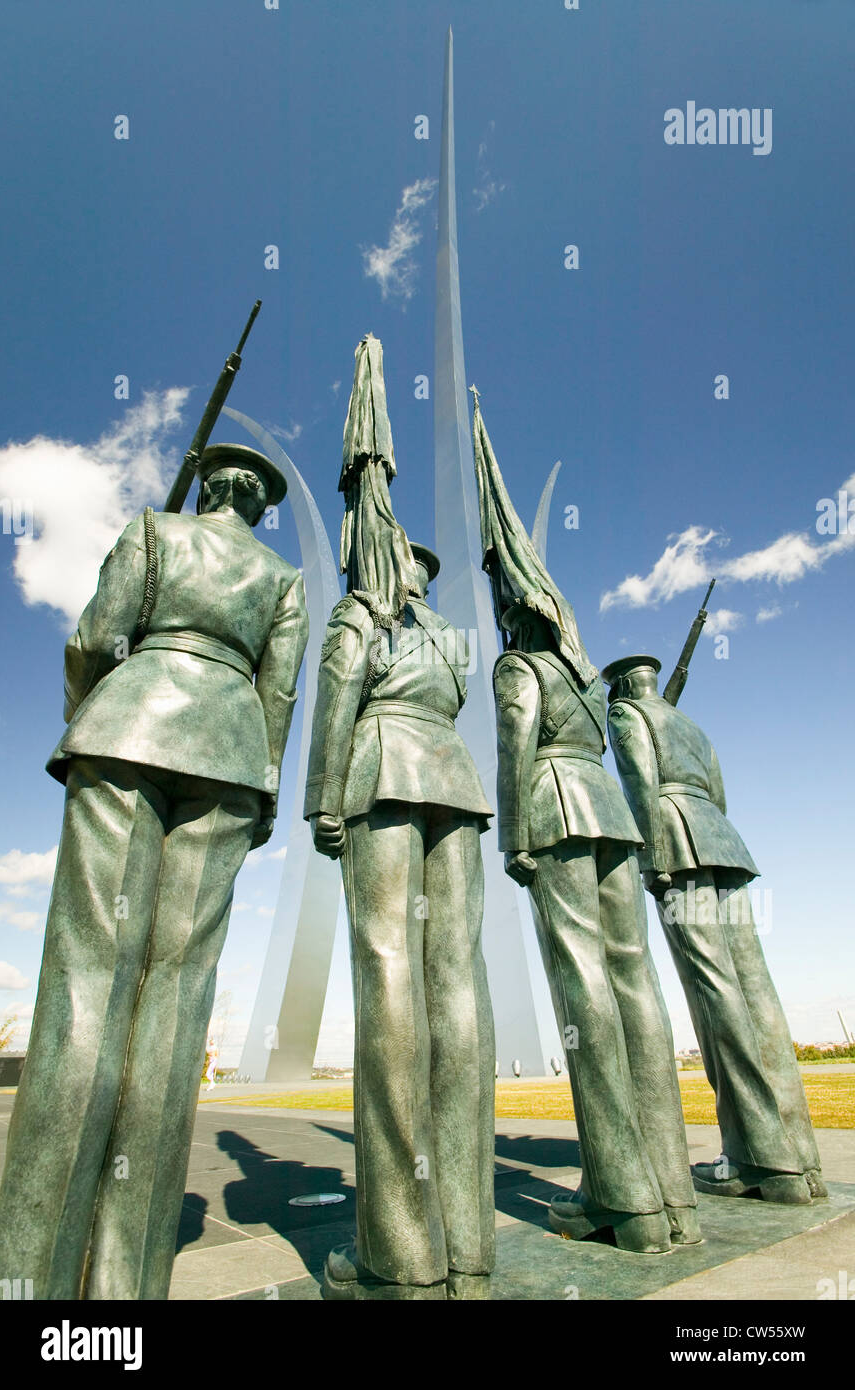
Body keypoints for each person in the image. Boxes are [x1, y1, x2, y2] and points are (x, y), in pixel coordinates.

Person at [0, 443, 308, 1299]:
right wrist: (264, 780)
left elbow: (95, 637)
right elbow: (280, 695)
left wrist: (92, 712)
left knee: (87, 982)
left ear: (208, 488)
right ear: (262, 505)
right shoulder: (283, 579)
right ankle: (127, 1289)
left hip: (128, 732)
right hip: (232, 758)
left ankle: (31, 1277)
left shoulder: (151, 531)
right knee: (177, 996)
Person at [472, 393, 700, 1253]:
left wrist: (514, 838)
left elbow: (517, 748)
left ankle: (625, 1200)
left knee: (584, 992)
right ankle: (670, 1191)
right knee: (635, 985)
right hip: (611, 817)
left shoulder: (520, 668)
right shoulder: (585, 679)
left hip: (558, 813)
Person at [305, 335, 495, 1300]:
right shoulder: (451, 643)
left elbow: (336, 706)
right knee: (460, 993)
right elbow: (452, 704)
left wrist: (320, 802)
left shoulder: (357, 619)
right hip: (456, 787)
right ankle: (466, 1246)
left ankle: (399, 1255)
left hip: (380, 774)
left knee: (389, 984)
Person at [603, 654, 823, 1204]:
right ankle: (800, 1159)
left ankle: (758, 1158)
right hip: (723, 841)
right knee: (757, 995)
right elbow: (719, 796)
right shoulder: (694, 728)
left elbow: (639, 784)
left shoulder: (628, 714)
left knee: (714, 992)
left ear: (625, 684)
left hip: (677, 845)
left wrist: (653, 858)